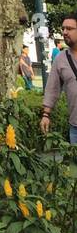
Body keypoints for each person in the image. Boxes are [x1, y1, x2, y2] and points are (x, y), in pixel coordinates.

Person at [41, 14, 77, 144]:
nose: (65, 32)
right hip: (75, 128)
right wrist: (46, 115)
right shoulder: (60, 59)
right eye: (63, 29)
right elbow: (52, 88)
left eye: (70, 28)